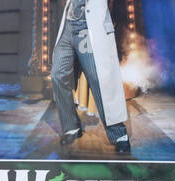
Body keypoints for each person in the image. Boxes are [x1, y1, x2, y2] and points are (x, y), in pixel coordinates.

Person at [50, 0, 130, 154]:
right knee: (57, 74)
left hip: (87, 27)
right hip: (68, 26)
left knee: (98, 78)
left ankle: (119, 134)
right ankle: (71, 128)